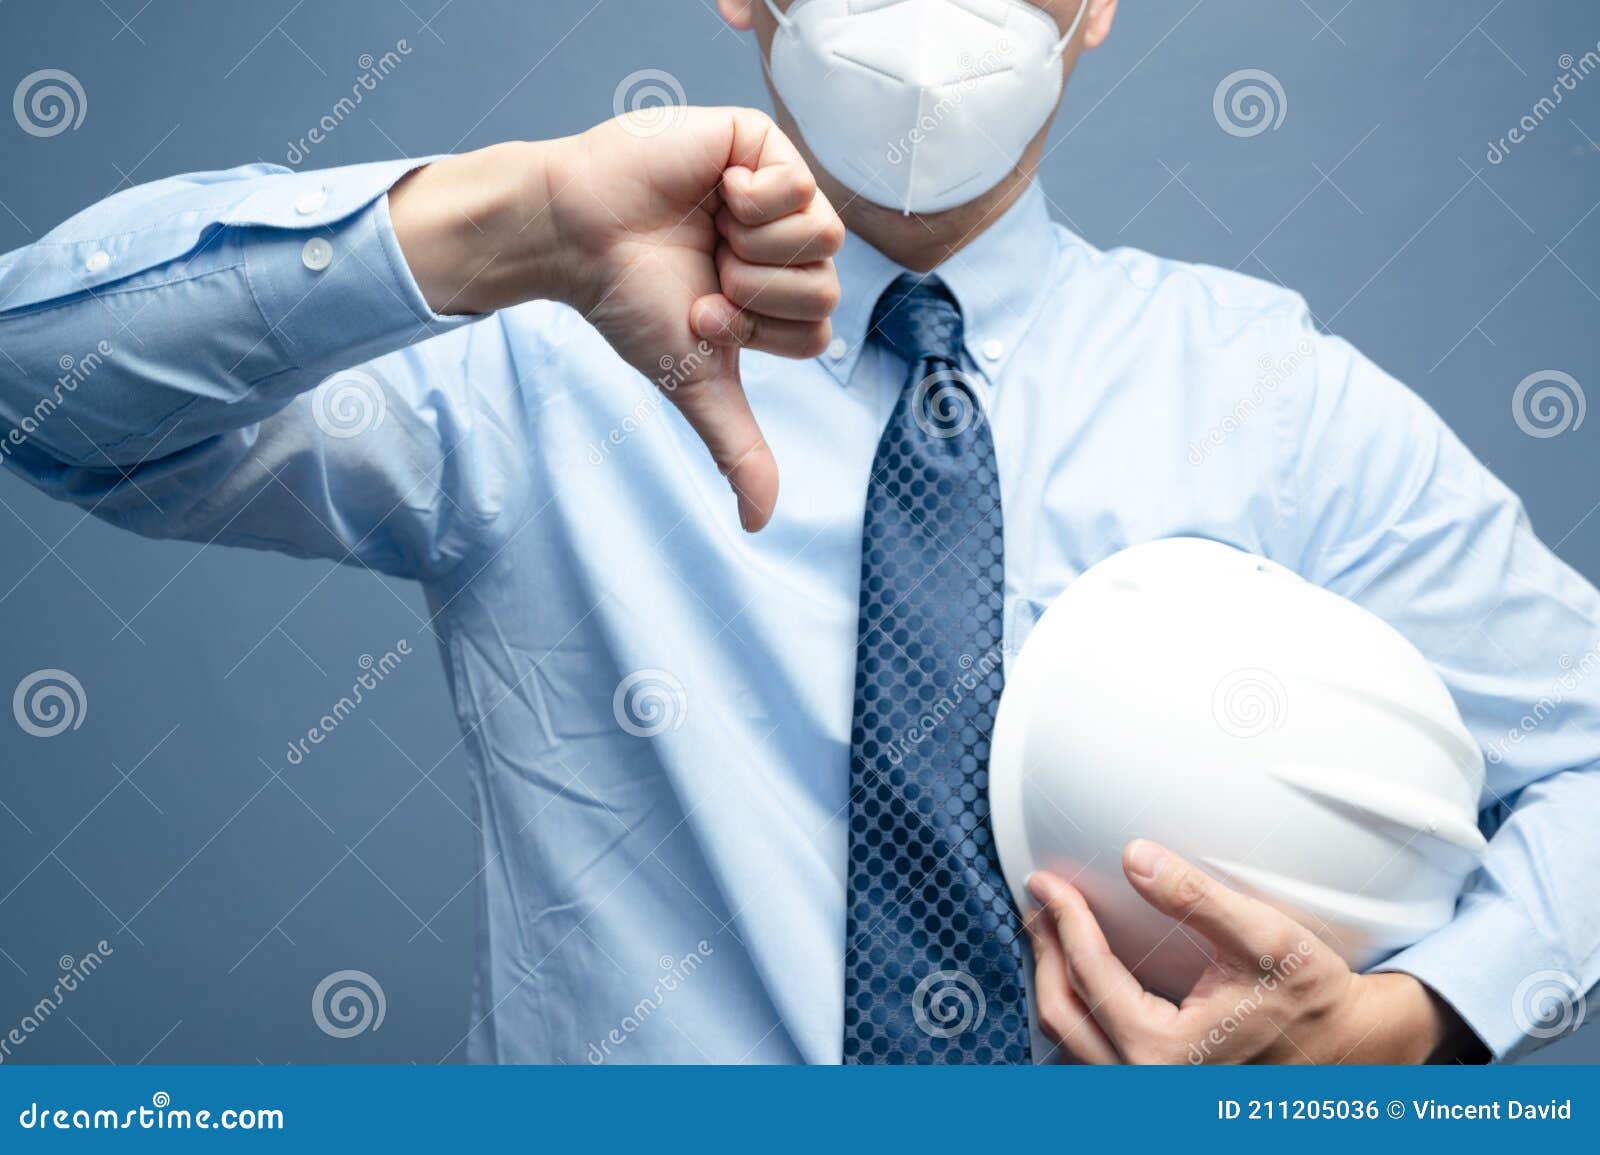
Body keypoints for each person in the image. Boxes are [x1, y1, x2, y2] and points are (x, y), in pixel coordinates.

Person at [0, 0, 1595, 1064]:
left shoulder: (1272, 396)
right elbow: (41, 394)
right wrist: (499, 226)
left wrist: (1412, 1022)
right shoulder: (536, 347)